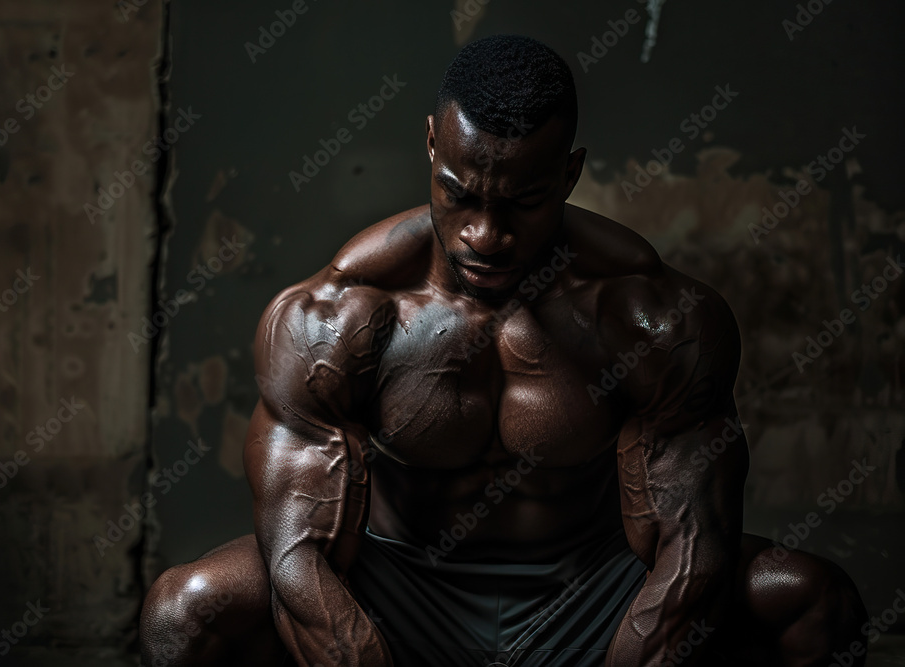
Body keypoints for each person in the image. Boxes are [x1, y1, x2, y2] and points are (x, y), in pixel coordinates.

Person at [140, 35, 868, 666]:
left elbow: (692, 560)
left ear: (570, 174)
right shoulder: (340, 317)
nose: (485, 235)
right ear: (431, 143)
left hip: (590, 593)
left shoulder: (649, 316)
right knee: (184, 611)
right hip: (401, 592)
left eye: (523, 201)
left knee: (813, 601)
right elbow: (299, 560)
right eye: (461, 195)